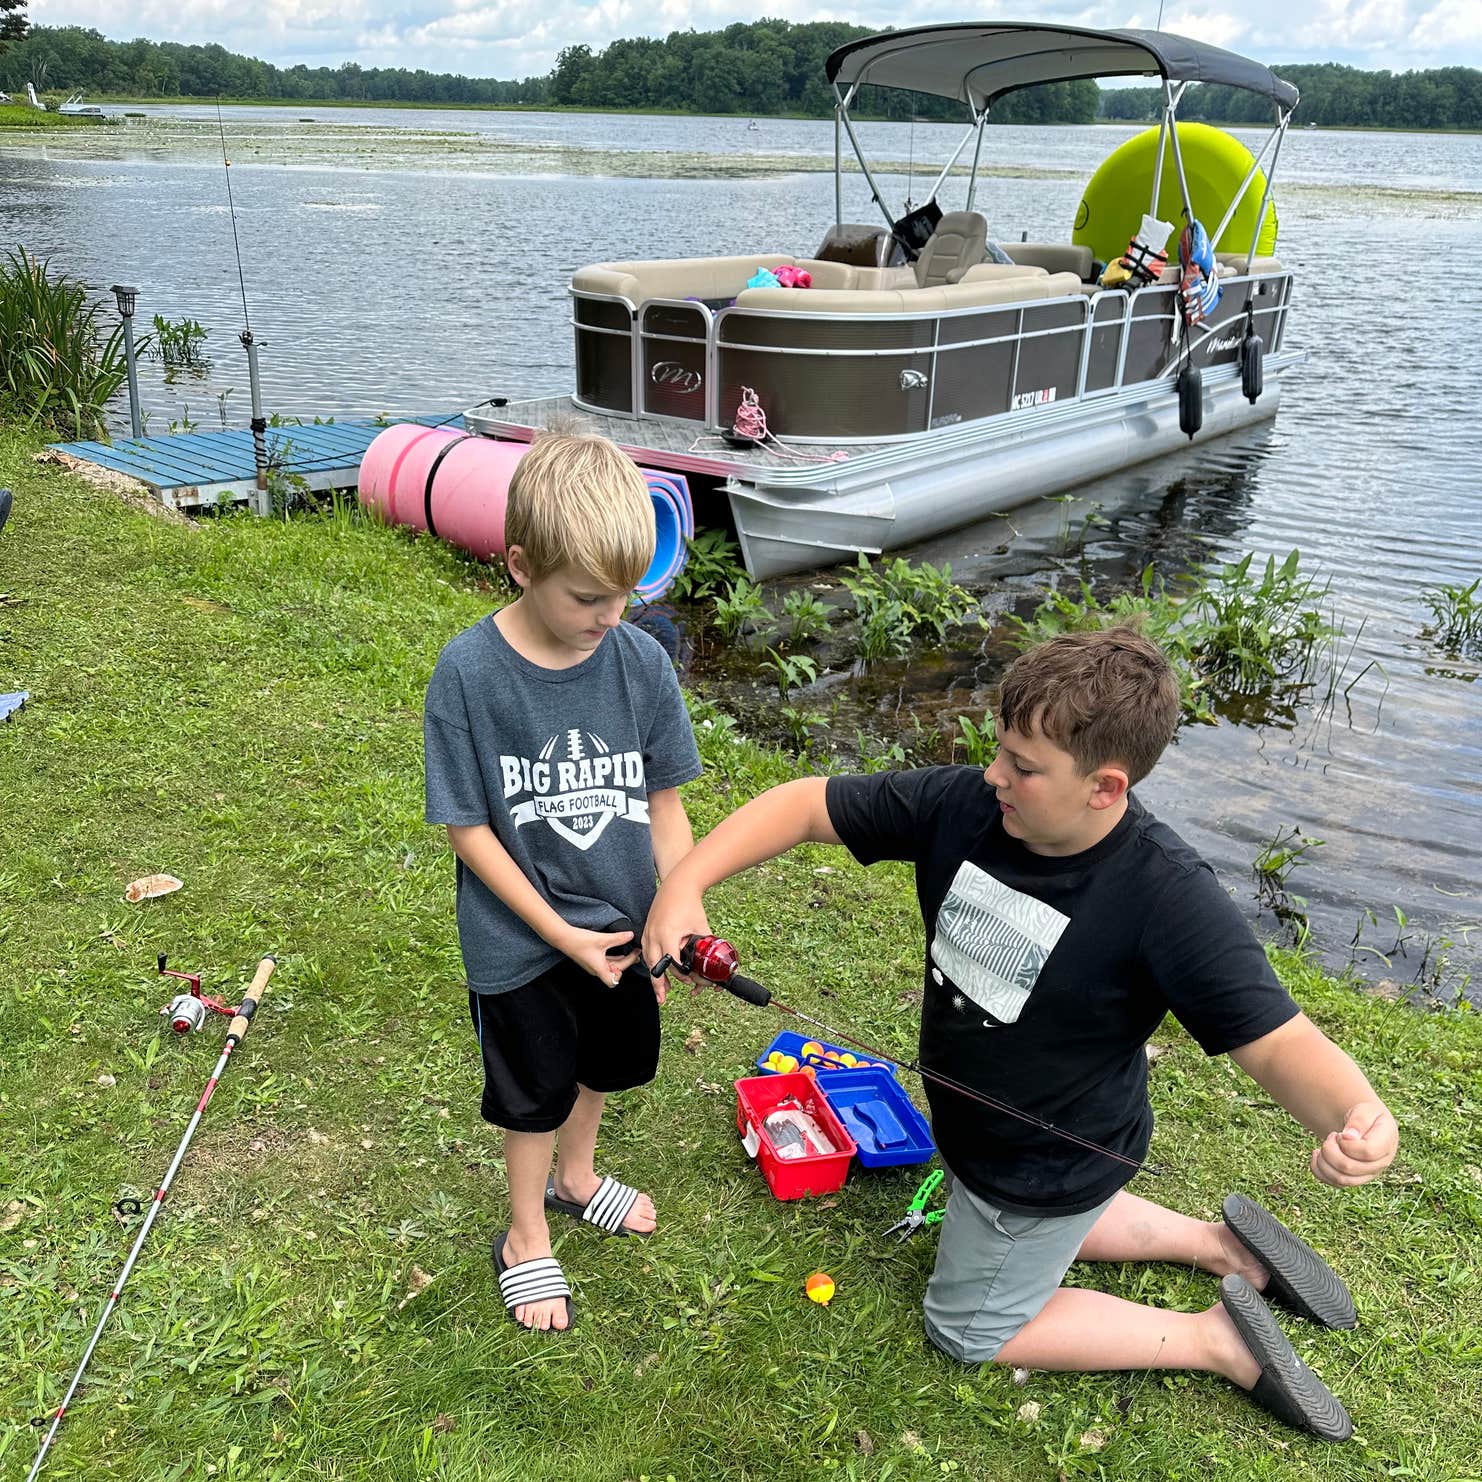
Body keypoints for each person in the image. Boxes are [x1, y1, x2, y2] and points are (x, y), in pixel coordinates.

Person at [646, 626, 1397, 1441]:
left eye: (1024, 767)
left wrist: (1355, 1115)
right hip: (992, 1139)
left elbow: (1278, 1039)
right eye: (999, 750)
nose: (994, 774)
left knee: (970, 1328)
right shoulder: (964, 806)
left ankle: (1212, 1340)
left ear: (1105, 788)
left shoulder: (1168, 898)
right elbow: (803, 805)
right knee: (1012, 1219)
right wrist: (684, 882)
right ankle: (1217, 1246)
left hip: (1048, 1161)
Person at [424, 429, 702, 1333]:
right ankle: (526, 1229)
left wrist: (679, 900)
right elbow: (469, 830)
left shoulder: (640, 663)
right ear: (517, 565)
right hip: (523, 938)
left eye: (627, 592)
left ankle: (580, 1179)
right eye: (587, 596)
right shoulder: (469, 675)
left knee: (603, 1066)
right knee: (533, 1089)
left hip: (619, 923)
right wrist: (557, 932)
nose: (610, 615)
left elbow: (664, 805)